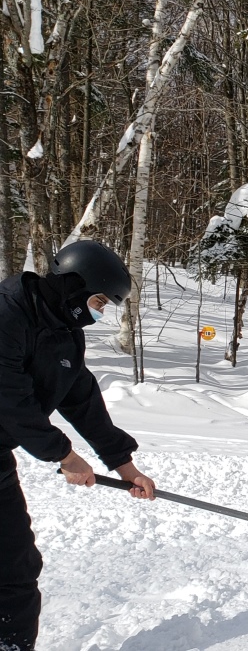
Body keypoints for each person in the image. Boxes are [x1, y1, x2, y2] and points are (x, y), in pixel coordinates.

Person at [0, 241, 156, 651]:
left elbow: (80, 396)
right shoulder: (6, 312)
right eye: (99, 300)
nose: (98, 312)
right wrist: (64, 455)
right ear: (74, 284)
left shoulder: (63, 331)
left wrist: (124, 464)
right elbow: (8, 397)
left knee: (16, 567)